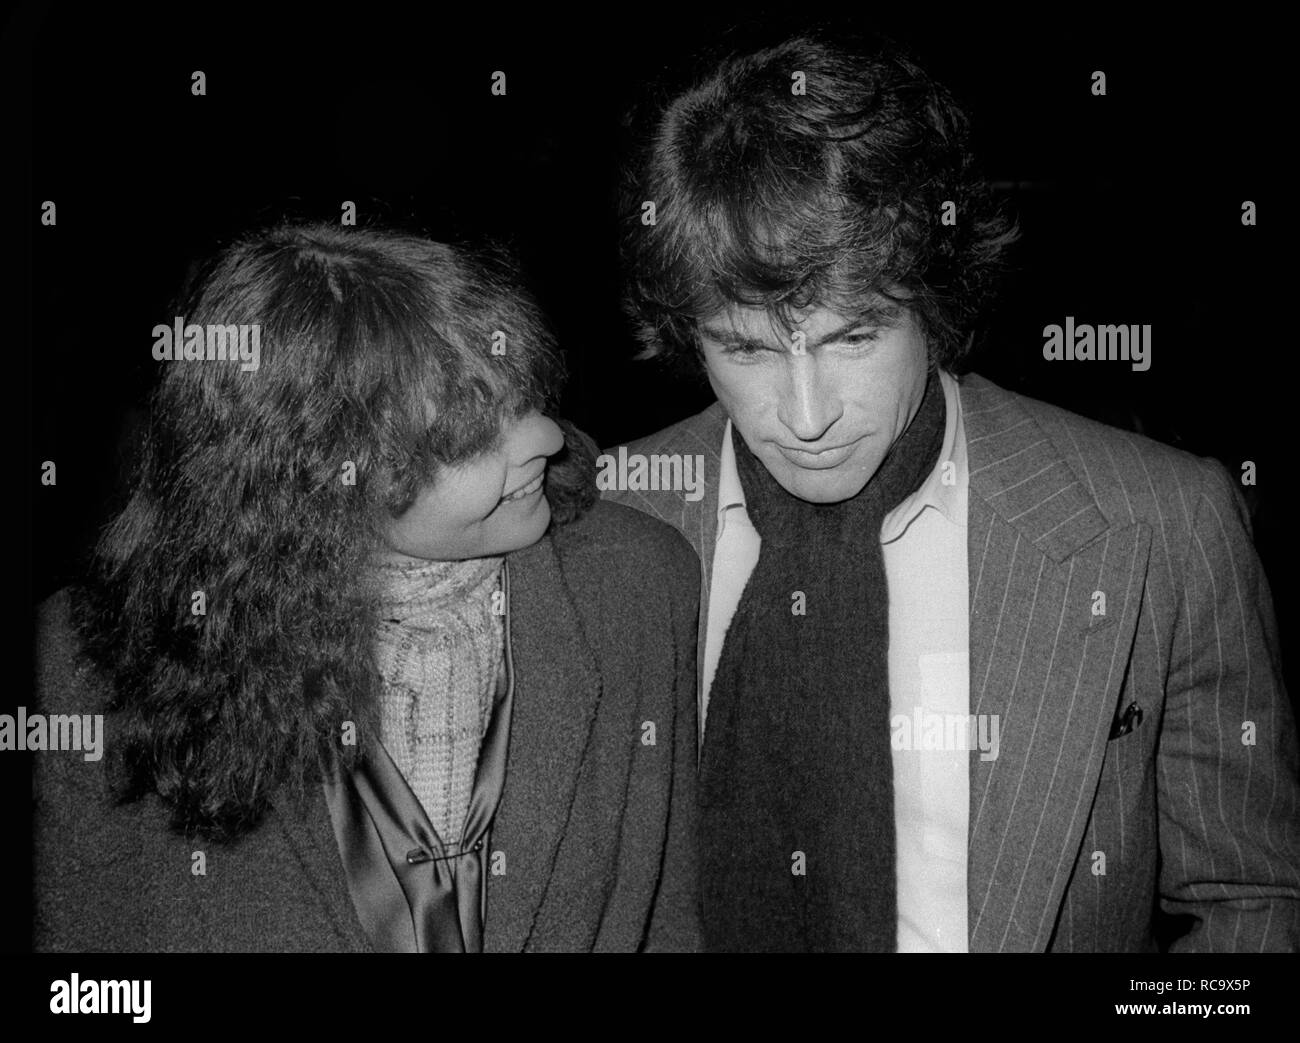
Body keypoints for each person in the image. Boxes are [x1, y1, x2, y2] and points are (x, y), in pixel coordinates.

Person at [604, 32, 1300, 952]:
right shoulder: (603, 528)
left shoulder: (1165, 522)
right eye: (746, 347)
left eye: (856, 336)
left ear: (933, 304)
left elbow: (1250, 899)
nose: (805, 415)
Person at [33, 223, 700, 952]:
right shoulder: (91, 667)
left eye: (522, 397)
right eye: (470, 437)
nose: (544, 436)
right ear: (323, 480)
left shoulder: (639, 582)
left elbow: (669, 918)